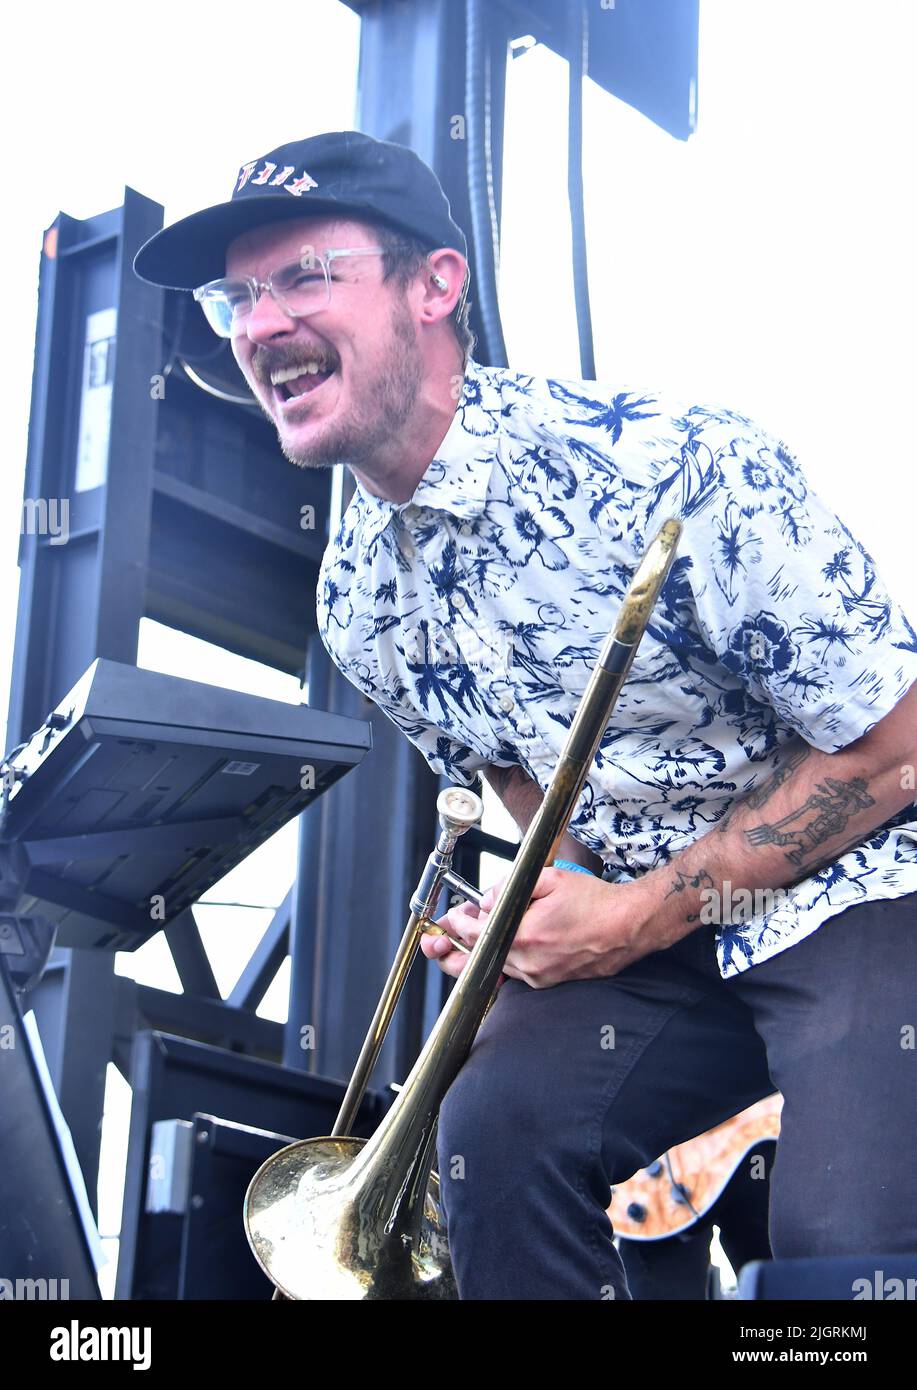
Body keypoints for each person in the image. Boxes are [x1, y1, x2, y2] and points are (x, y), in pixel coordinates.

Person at [135, 131, 917, 1301]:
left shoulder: (677, 464)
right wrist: (542, 903)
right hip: (655, 923)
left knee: (837, 1258)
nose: (257, 324)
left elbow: (898, 745)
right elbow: (521, 777)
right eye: (237, 296)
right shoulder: (354, 603)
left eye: (303, 277)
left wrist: (635, 916)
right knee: (488, 1132)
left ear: (435, 286)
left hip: (859, 882)